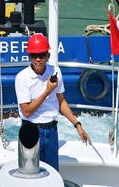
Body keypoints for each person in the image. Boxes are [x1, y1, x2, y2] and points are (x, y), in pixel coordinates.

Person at [15, 33, 91, 171]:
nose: (38, 59)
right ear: (29, 56)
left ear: (48, 56)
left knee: (52, 174)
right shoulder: (22, 78)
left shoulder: (55, 71)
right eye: (34, 55)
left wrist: (77, 125)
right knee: (30, 177)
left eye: (42, 55)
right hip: (30, 130)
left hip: (51, 130)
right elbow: (26, 111)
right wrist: (47, 91)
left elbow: (61, 101)